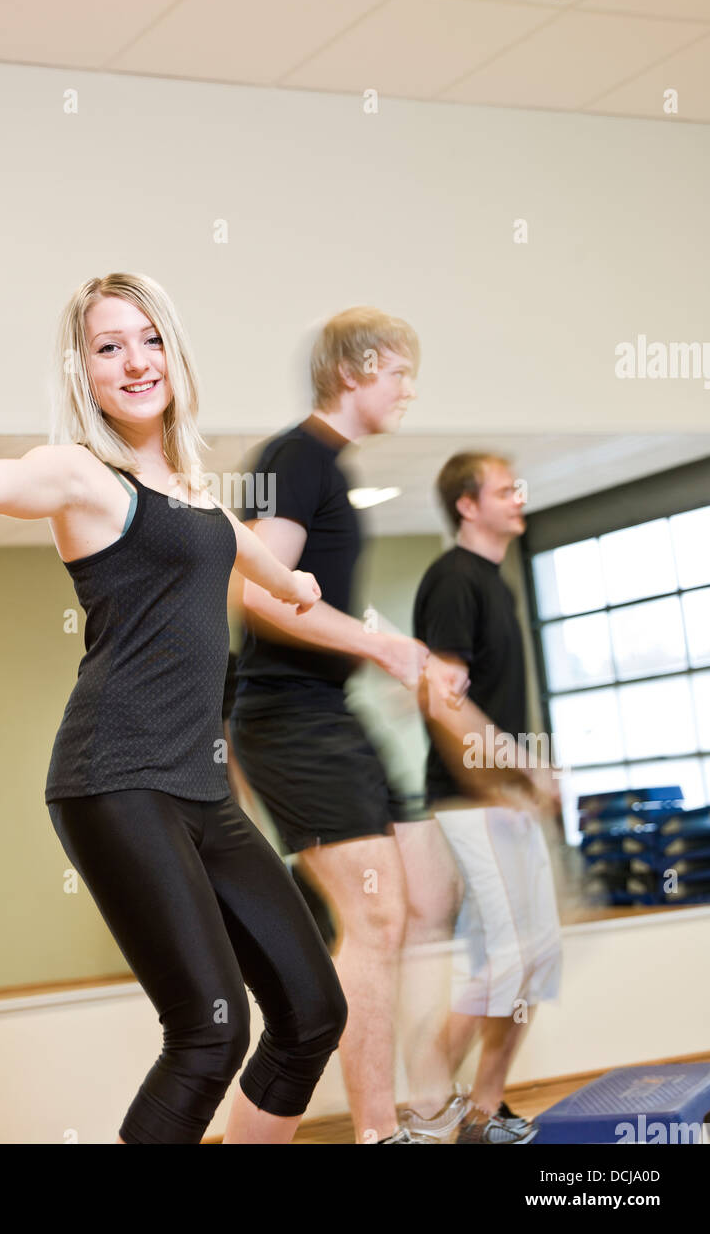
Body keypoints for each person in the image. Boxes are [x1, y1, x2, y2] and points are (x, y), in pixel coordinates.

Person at [0, 271, 348, 1145]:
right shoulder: (82, 475)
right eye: (108, 346)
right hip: (115, 780)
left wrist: (291, 583)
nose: (135, 361)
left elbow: (228, 542)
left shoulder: (188, 488)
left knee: (313, 1010)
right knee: (209, 1034)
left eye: (150, 338)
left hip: (201, 791)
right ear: (82, 371)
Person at [226, 306, 463, 1144]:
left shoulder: (325, 470)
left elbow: (301, 605)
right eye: (398, 372)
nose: (406, 389)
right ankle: (375, 1133)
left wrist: (386, 654)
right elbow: (256, 592)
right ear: (355, 368)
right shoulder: (298, 457)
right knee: (373, 919)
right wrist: (378, 646)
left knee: (420, 899)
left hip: (324, 710)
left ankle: (414, 1107)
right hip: (288, 717)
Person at [398, 452, 563, 1144]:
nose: (517, 498)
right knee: (506, 958)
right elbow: (443, 703)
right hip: (474, 804)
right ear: (467, 505)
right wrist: (519, 769)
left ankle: (484, 1111)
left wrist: (523, 784)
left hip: (508, 803)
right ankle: (428, 1100)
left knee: (537, 954)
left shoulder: (497, 584)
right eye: (504, 490)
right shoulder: (453, 581)